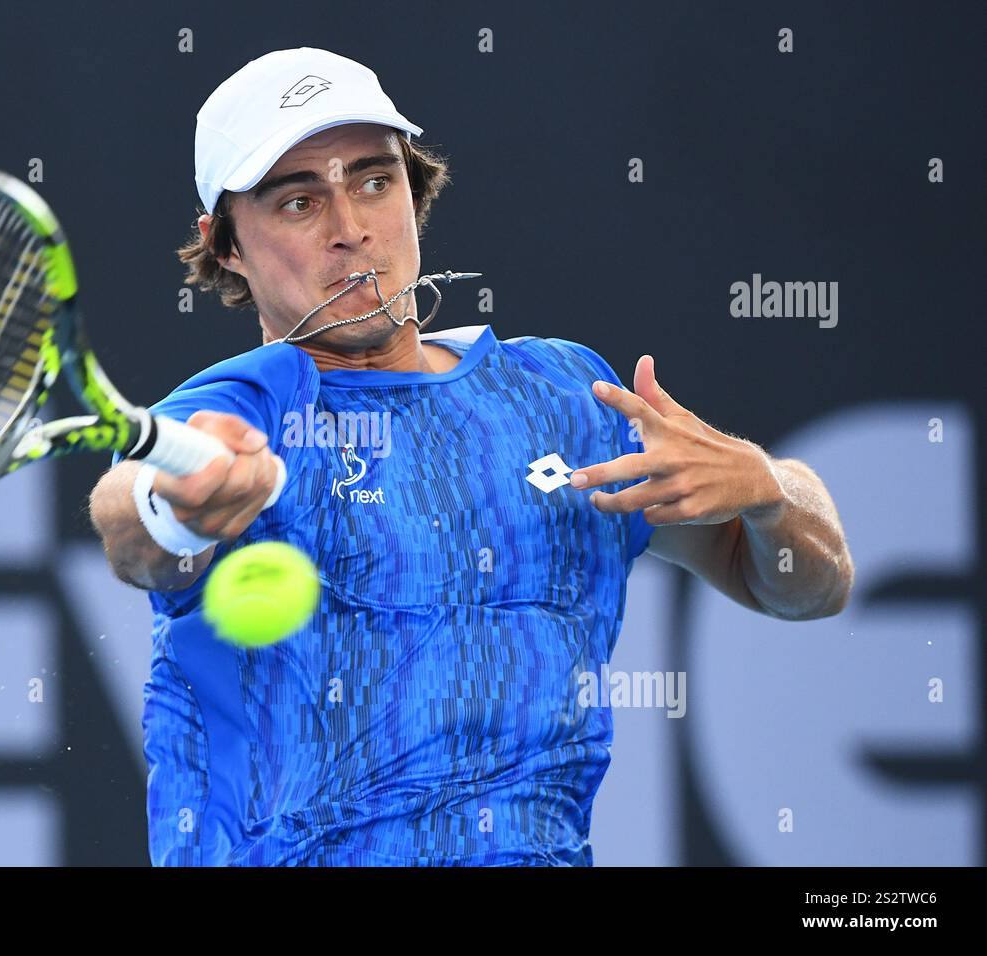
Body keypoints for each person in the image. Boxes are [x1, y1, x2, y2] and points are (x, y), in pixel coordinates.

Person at [89, 47, 854, 866]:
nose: (350, 230)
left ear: (415, 194)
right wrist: (176, 507)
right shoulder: (248, 404)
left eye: (375, 182)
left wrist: (768, 490)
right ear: (226, 244)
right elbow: (129, 519)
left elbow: (810, 588)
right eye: (300, 201)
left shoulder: (563, 395)